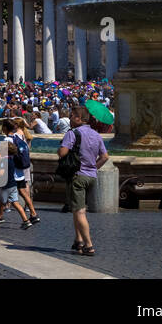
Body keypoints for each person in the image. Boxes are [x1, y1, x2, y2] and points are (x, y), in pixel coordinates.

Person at [59, 106, 109, 256]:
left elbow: (62, 153)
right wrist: (93, 168)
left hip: (77, 176)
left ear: (78, 118)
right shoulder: (96, 134)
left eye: (72, 116)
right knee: (77, 208)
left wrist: (60, 148)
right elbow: (105, 157)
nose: (69, 118)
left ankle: (89, 245)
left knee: (80, 211)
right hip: (91, 177)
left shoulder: (72, 133)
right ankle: (78, 240)